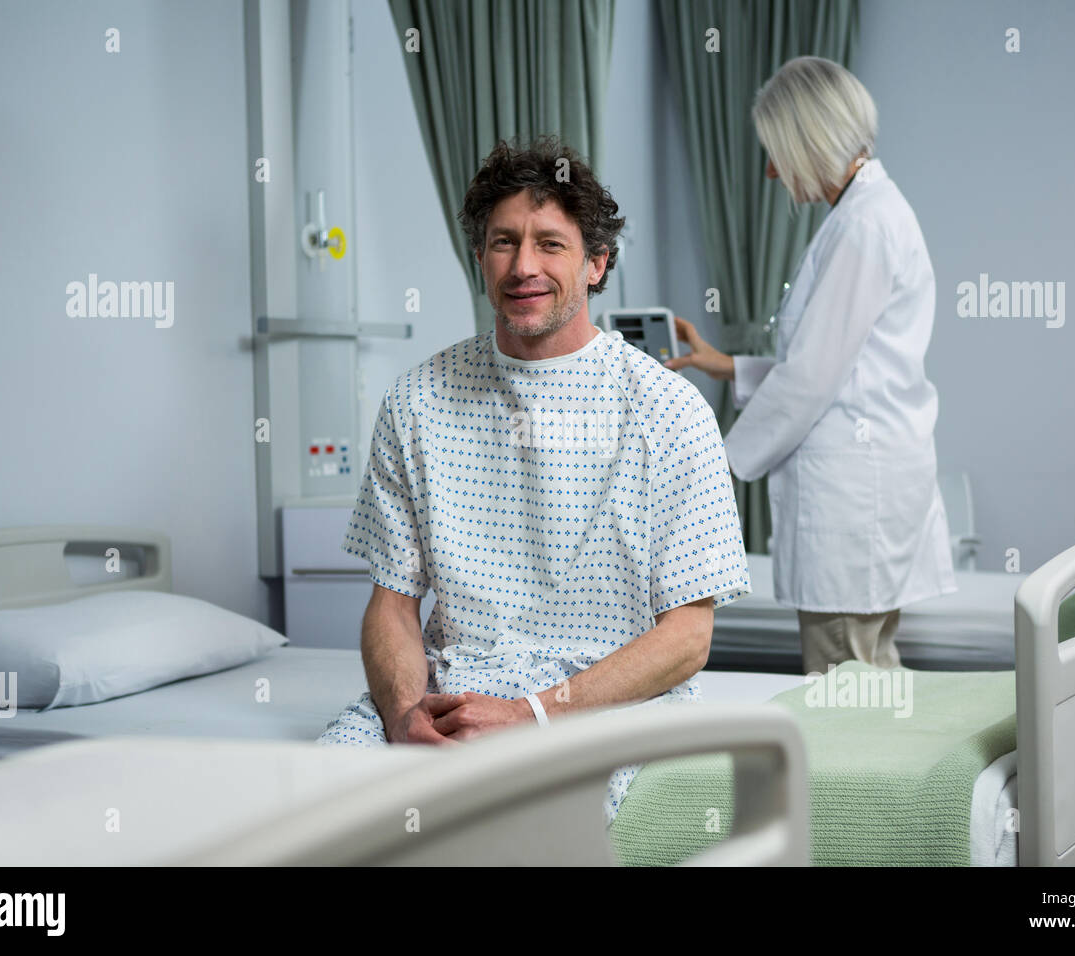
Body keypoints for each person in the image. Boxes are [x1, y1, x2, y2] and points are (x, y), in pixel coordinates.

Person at [318, 136, 751, 825]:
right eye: (502, 243)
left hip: (602, 705)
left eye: (550, 244)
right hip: (448, 696)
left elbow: (686, 638)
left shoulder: (667, 412)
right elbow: (393, 607)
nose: (523, 267)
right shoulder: (418, 401)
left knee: (511, 827)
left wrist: (531, 717)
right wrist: (405, 718)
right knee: (313, 814)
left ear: (597, 264)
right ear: (481, 258)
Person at [666, 56, 956, 675]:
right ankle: (897, 776)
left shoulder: (864, 225)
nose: (772, 170)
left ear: (810, 140)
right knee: (871, 676)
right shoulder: (865, 213)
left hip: (854, 501)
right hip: (869, 489)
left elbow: (812, 381)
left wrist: (712, 468)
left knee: (843, 692)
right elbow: (836, 369)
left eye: (777, 151)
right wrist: (727, 365)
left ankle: (862, 779)